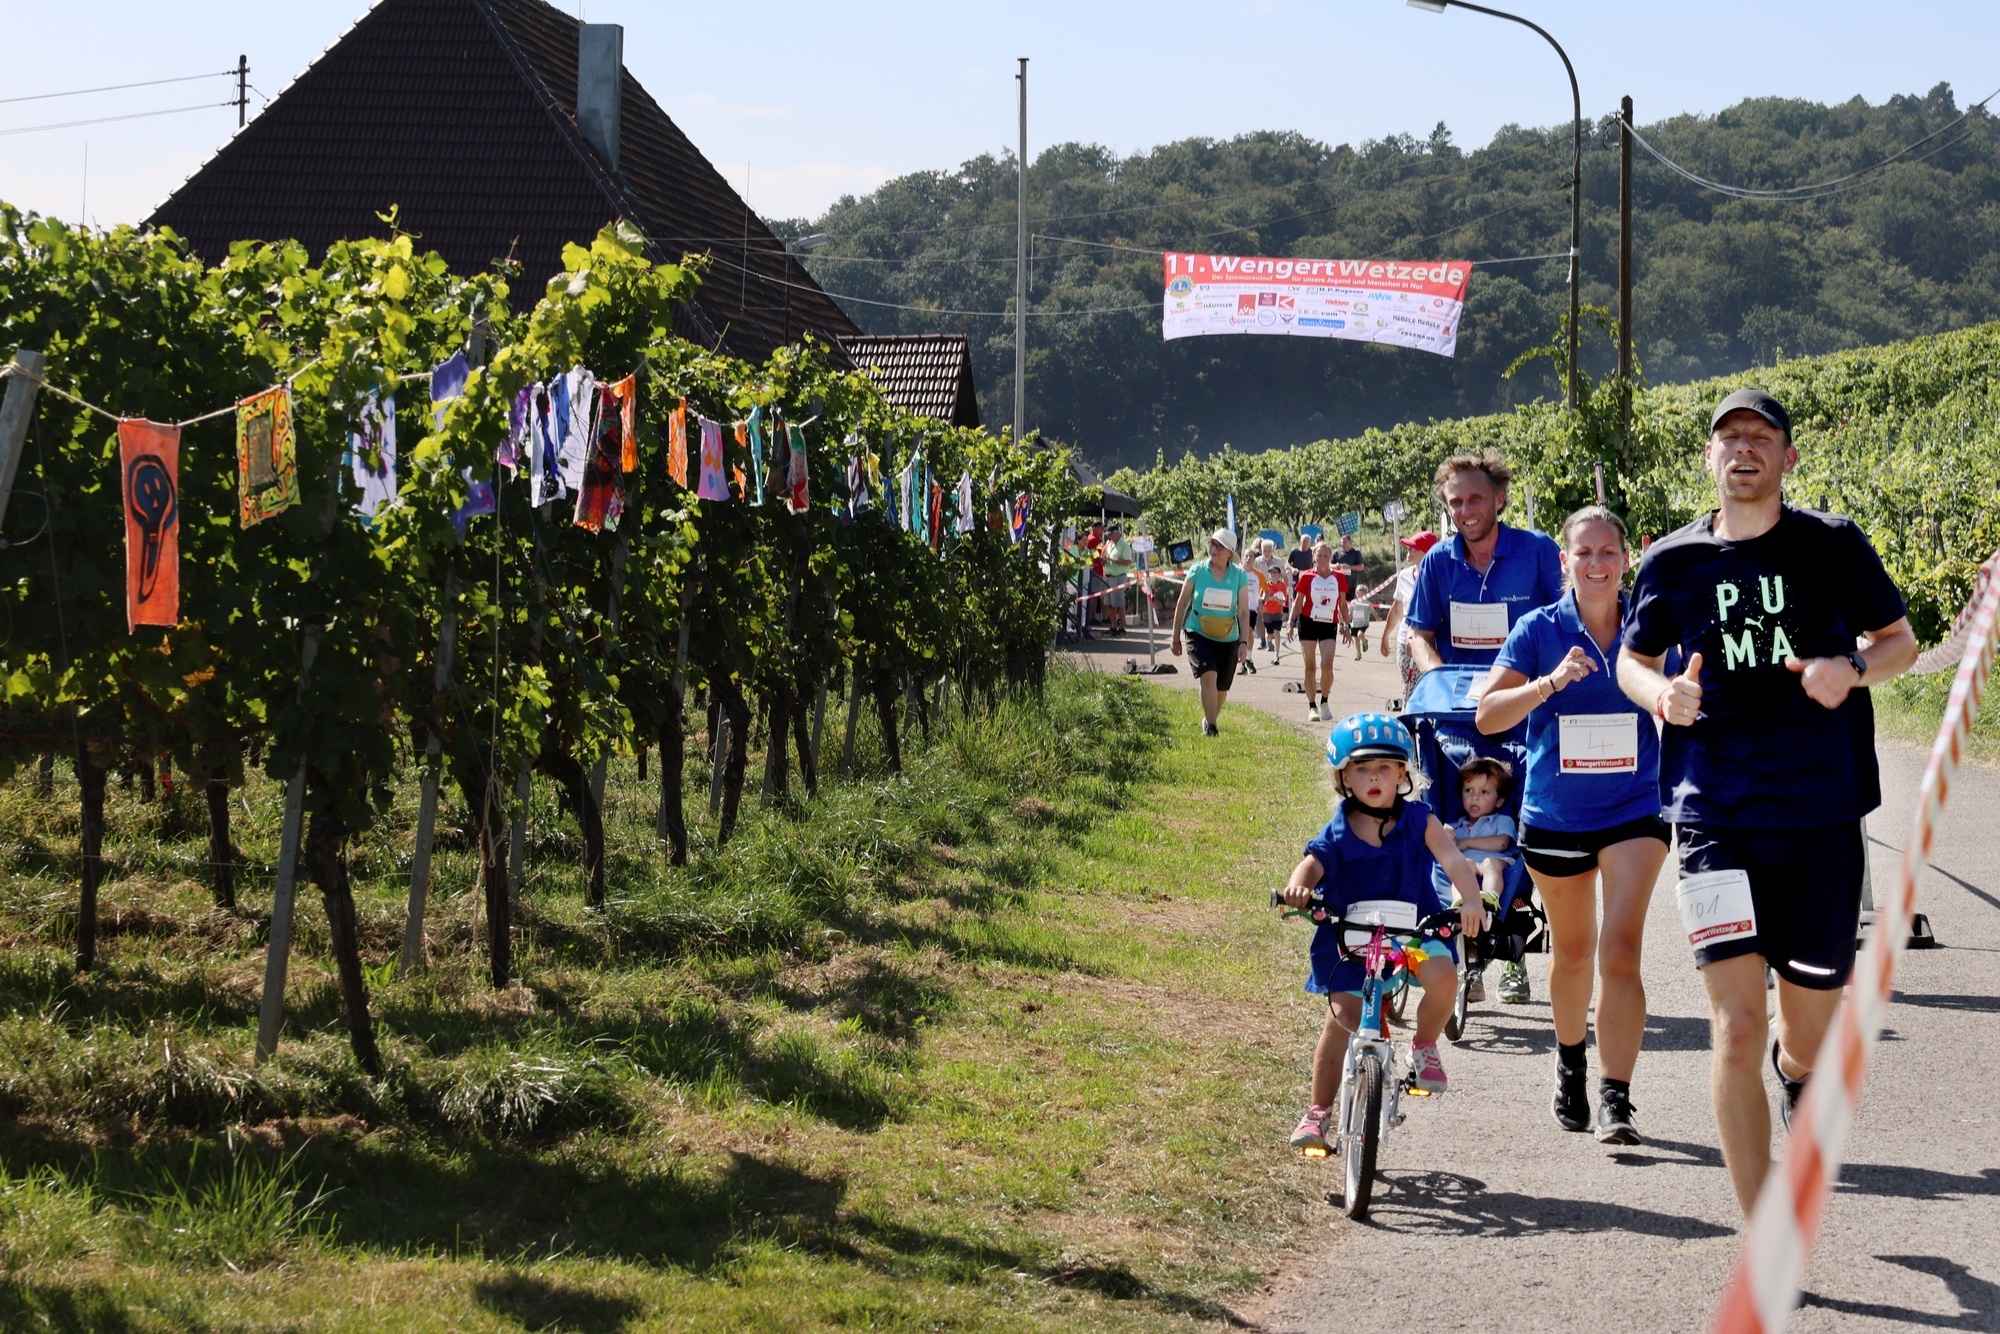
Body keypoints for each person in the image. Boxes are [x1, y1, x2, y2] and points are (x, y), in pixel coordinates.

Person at [1615, 388, 1916, 1216]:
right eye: (1728, 438)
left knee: (1804, 1031)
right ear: (1710, 460)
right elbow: (1630, 659)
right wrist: (1658, 695)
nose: (1743, 448)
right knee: (1737, 1026)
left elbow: (1900, 642)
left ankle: (1798, 1072)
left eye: (1761, 437)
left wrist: (1849, 671)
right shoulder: (1671, 562)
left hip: (1820, 814)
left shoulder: (1830, 545)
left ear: (1786, 458)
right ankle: (1764, 1229)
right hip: (1713, 814)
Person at [1476, 505, 1668, 1145]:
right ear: (1565, 562)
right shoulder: (1538, 629)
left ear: (1624, 559)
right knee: (1575, 951)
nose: (1595, 563)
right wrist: (1549, 684)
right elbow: (1487, 717)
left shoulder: (1651, 627)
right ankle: (1570, 1060)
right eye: (1582, 552)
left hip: (1635, 808)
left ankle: (1618, 1096)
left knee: (1620, 950)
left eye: (1607, 551)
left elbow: (1691, 687)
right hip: (1556, 815)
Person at [1283, 713, 1489, 1151]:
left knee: (1443, 978)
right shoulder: (1340, 827)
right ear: (1343, 777)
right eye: (1361, 768)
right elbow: (1314, 860)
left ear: (1403, 773)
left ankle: (1425, 1045)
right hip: (1353, 934)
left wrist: (1470, 899)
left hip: (1413, 929)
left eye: (1386, 767)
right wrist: (1300, 885)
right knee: (1343, 1018)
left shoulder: (1420, 820)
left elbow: (1452, 860)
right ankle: (1317, 1113)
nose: (1374, 777)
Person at [1406, 453, 1563, 1002]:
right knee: (1450, 801)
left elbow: (1562, 623)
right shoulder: (1437, 562)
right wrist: (1439, 676)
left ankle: (1513, 932)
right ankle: (1454, 923)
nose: (1465, 510)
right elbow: (1420, 635)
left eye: (1475, 499)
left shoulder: (1538, 552)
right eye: (1455, 502)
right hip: (1458, 714)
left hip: (1522, 707)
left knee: (1525, 810)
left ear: (1498, 499)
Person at [1170, 528, 1254, 737]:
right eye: (1212, 544)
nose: (1213, 549)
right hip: (1198, 631)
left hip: (1229, 637)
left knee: (1221, 688)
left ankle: (1209, 719)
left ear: (1229, 553)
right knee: (1208, 676)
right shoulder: (1198, 570)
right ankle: (1212, 729)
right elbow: (1182, 604)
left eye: (1219, 546)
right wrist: (1175, 637)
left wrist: (1244, 643)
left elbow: (1243, 612)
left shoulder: (1239, 575)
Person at [1283, 542, 1350, 723]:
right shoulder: (1307, 576)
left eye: (1325, 556)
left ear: (1330, 557)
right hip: (1308, 622)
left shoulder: (1338, 577)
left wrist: (1347, 625)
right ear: (1314, 557)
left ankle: (1325, 701)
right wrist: (1290, 622)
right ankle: (1312, 706)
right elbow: (1298, 602)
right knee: (1310, 668)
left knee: (1327, 666)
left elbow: (1343, 604)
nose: (1322, 559)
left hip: (1329, 623)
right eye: (1319, 556)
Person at [1451, 757, 1518, 922]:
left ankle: (1490, 899)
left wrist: (1465, 842)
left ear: (1499, 801)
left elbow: (1501, 843)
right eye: (1469, 790)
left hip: (1498, 861)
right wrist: (1448, 839)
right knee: (1462, 866)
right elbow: (1446, 851)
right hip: (1468, 864)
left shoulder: (1501, 820)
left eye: (1484, 792)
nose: (1474, 797)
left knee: (1490, 863)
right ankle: (1460, 902)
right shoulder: (1456, 826)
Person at [1379, 529, 1441, 699]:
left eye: (1413, 547)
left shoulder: (1439, 578)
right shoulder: (1404, 576)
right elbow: (1397, 609)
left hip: (1429, 644)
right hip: (1404, 644)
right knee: (1407, 689)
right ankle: (1410, 723)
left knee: (1427, 690)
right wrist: (1385, 636)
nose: (1408, 550)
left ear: (1426, 551)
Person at [1253, 539, 1291, 665]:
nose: (1267, 552)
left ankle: (1271, 643)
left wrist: (1285, 588)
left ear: (1272, 550)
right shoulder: (1257, 562)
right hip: (1260, 593)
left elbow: (1284, 576)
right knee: (1260, 618)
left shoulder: (1278, 562)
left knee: (1276, 629)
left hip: (1276, 597)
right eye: (1264, 550)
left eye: (1269, 550)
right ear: (1261, 550)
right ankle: (1263, 639)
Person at [1102, 524, 1134, 636]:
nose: (1109, 537)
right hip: (1109, 576)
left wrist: (1112, 559)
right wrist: (1104, 560)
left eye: (1110, 534)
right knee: (1110, 603)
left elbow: (1127, 562)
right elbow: (1105, 558)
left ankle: (1122, 628)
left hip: (1119, 576)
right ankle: (1113, 627)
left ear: (1117, 533)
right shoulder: (1109, 545)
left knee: (1119, 602)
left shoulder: (1124, 546)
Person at [1346, 590, 1372, 659]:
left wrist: (1377, 618)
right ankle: (1358, 654)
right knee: (1356, 639)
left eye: (1362, 594)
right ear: (1356, 593)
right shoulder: (1353, 602)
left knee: (1360, 634)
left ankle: (1365, 641)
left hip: (1363, 623)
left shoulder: (1367, 603)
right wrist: (1347, 622)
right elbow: (1350, 613)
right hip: (1355, 624)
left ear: (1365, 594)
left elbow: (1373, 611)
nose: (1360, 595)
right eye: (1358, 593)